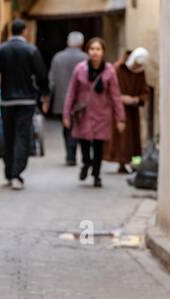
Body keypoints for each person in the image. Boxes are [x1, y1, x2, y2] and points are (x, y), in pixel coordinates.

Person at [0, 19, 48, 190]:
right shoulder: (31, 50)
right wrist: (44, 94)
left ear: (10, 31)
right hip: (26, 101)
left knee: (9, 135)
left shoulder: (1, 50)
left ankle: (9, 172)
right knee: (22, 136)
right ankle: (16, 174)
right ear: (24, 31)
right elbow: (41, 75)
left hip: (6, 101)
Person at [63, 37, 125, 188]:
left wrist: (120, 118)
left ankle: (96, 175)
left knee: (98, 147)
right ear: (87, 51)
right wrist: (66, 114)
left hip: (102, 114)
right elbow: (71, 92)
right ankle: (86, 164)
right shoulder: (80, 69)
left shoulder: (109, 70)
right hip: (83, 114)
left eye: (98, 49)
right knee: (84, 144)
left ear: (103, 52)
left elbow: (115, 95)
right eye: (92, 49)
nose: (95, 52)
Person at [105, 47, 152, 173]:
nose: (136, 67)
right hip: (118, 108)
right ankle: (121, 162)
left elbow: (144, 91)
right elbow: (108, 88)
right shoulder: (118, 69)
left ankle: (135, 163)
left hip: (132, 110)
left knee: (134, 139)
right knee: (121, 137)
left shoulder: (140, 72)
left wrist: (135, 99)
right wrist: (119, 98)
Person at [48, 31, 88, 166]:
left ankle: (70, 154)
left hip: (61, 100)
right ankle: (80, 155)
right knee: (80, 126)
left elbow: (51, 80)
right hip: (81, 101)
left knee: (67, 128)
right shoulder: (86, 58)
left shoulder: (57, 58)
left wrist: (48, 98)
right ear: (81, 43)